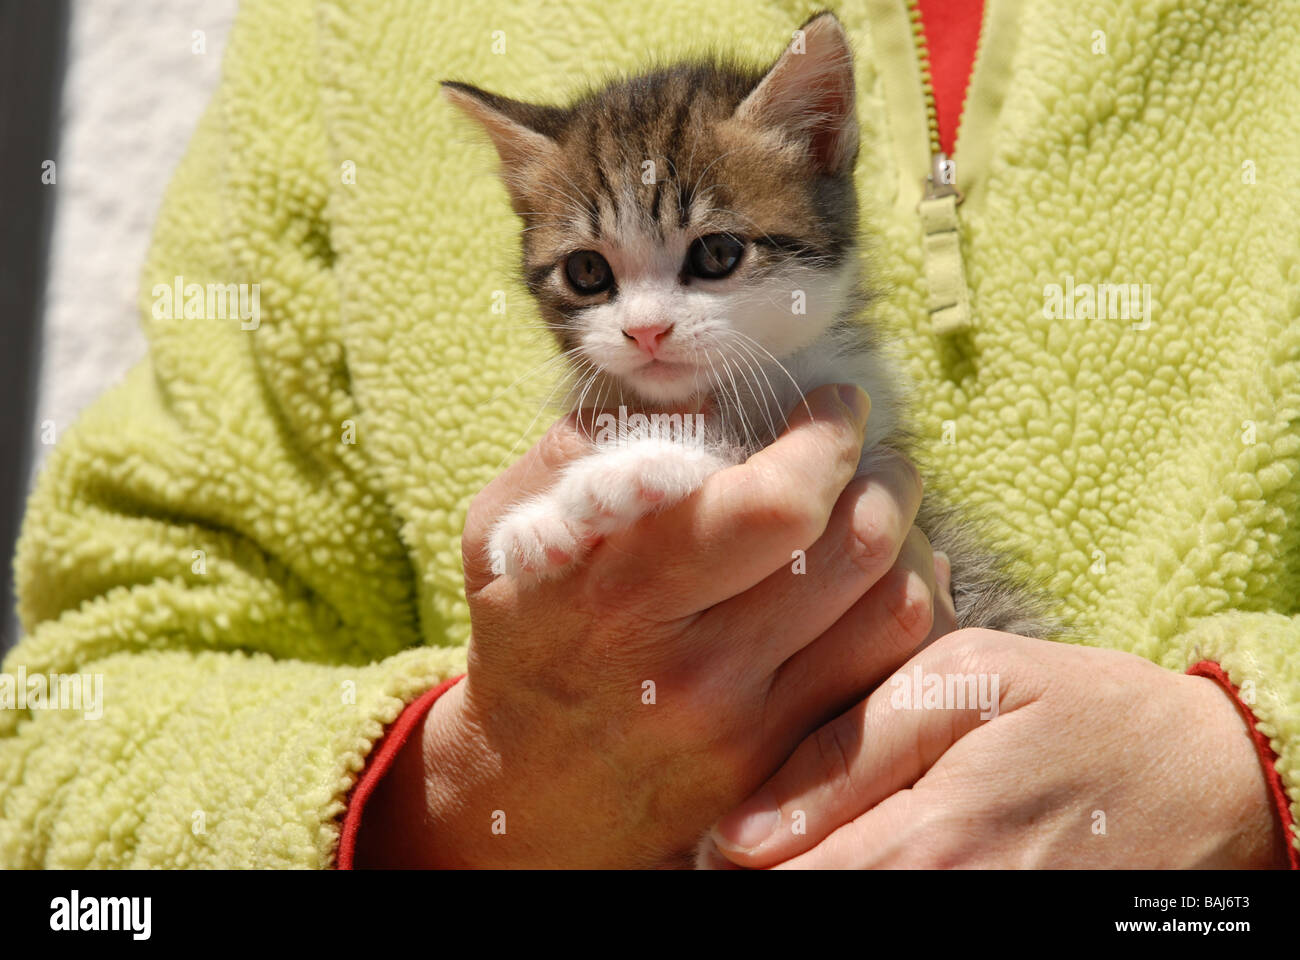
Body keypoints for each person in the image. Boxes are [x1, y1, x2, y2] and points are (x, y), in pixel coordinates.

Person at [2, 0, 1296, 869]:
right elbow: (69, 739)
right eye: (589, 281)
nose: (652, 327)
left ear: (820, 145)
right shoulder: (342, 34)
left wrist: (1252, 776)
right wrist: (458, 791)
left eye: (715, 259)